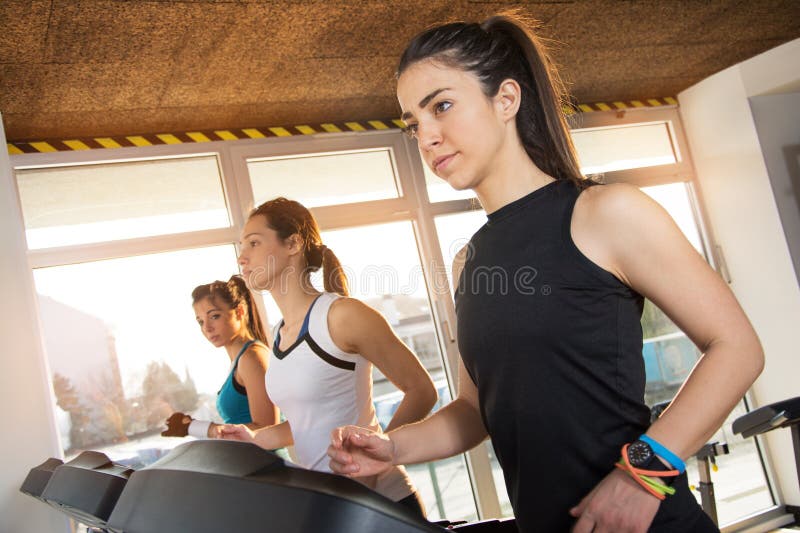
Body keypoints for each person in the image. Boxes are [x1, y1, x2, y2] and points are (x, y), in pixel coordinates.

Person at [327, 11, 764, 533]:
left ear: (506, 99)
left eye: (441, 106)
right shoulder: (469, 260)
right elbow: (475, 410)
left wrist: (642, 475)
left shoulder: (604, 213)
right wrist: (393, 447)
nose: (427, 137)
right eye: (413, 124)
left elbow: (737, 348)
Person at [217, 197, 438, 516]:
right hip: (329, 504)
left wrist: (377, 458)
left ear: (292, 243)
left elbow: (422, 391)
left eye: (253, 242)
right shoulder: (279, 333)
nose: (242, 256)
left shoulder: (342, 315)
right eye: (242, 246)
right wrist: (252, 438)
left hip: (380, 503)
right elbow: (305, 424)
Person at [162, 275, 279, 440]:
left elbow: (266, 428)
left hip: (268, 463)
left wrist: (198, 428)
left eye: (214, 316)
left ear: (240, 312)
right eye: (200, 322)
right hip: (249, 462)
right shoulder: (239, 360)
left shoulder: (252, 357)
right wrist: (191, 426)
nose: (207, 328)